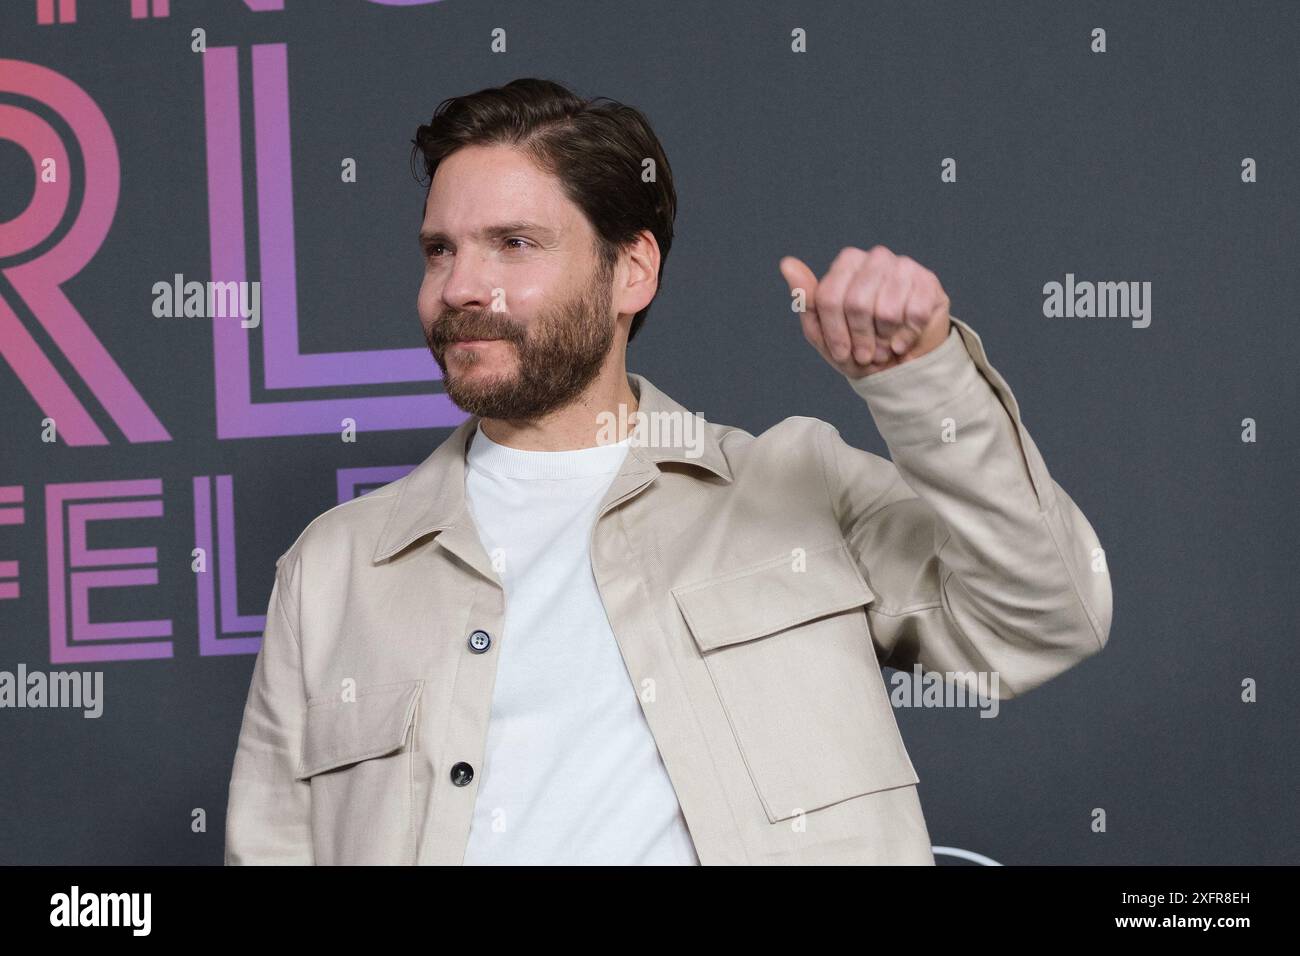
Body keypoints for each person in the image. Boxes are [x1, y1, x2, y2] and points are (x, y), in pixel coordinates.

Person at [224, 77, 1112, 866]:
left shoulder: (798, 485)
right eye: (440, 250)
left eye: (514, 244)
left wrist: (923, 384)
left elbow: (1044, 619)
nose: (462, 287)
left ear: (631, 271)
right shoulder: (335, 569)